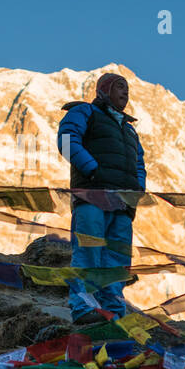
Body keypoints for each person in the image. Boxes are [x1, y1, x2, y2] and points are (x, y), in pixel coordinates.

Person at [57, 72, 146, 324]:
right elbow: (66, 140)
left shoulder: (129, 131)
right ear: (103, 90)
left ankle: (113, 314)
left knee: (117, 262)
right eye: (120, 86)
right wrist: (92, 170)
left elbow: (139, 163)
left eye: (128, 88)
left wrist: (138, 190)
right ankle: (84, 309)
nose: (125, 92)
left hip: (122, 205)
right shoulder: (84, 112)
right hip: (92, 196)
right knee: (89, 253)